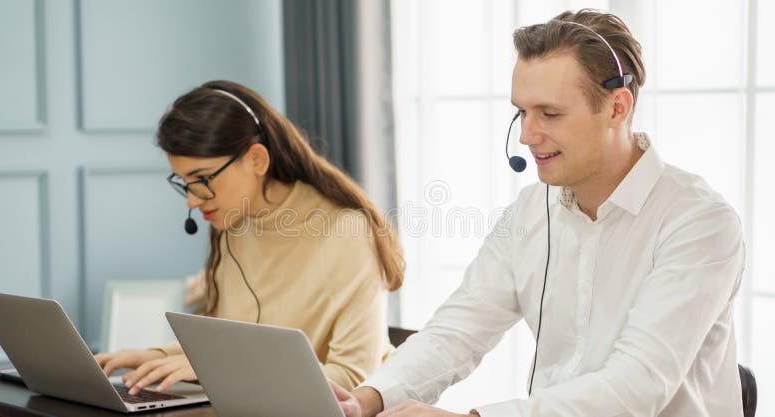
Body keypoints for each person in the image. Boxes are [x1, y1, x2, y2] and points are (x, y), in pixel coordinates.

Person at [332, 9, 745, 417]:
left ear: (618, 107)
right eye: (521, 112)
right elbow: (456, 333)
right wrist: (367, 398)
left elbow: (637, 386)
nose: (527, 137)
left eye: (550, 114)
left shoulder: (700, 223)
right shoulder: (531, 211)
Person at [94, 80, 405, 395]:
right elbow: (230, 345)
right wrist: (155, 357)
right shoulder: (234, 222)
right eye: (185, 182)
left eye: (203, 179)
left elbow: (353, 378)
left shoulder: (347, 233)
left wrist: (218, 368)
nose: (193, 200)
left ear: (257, 160)